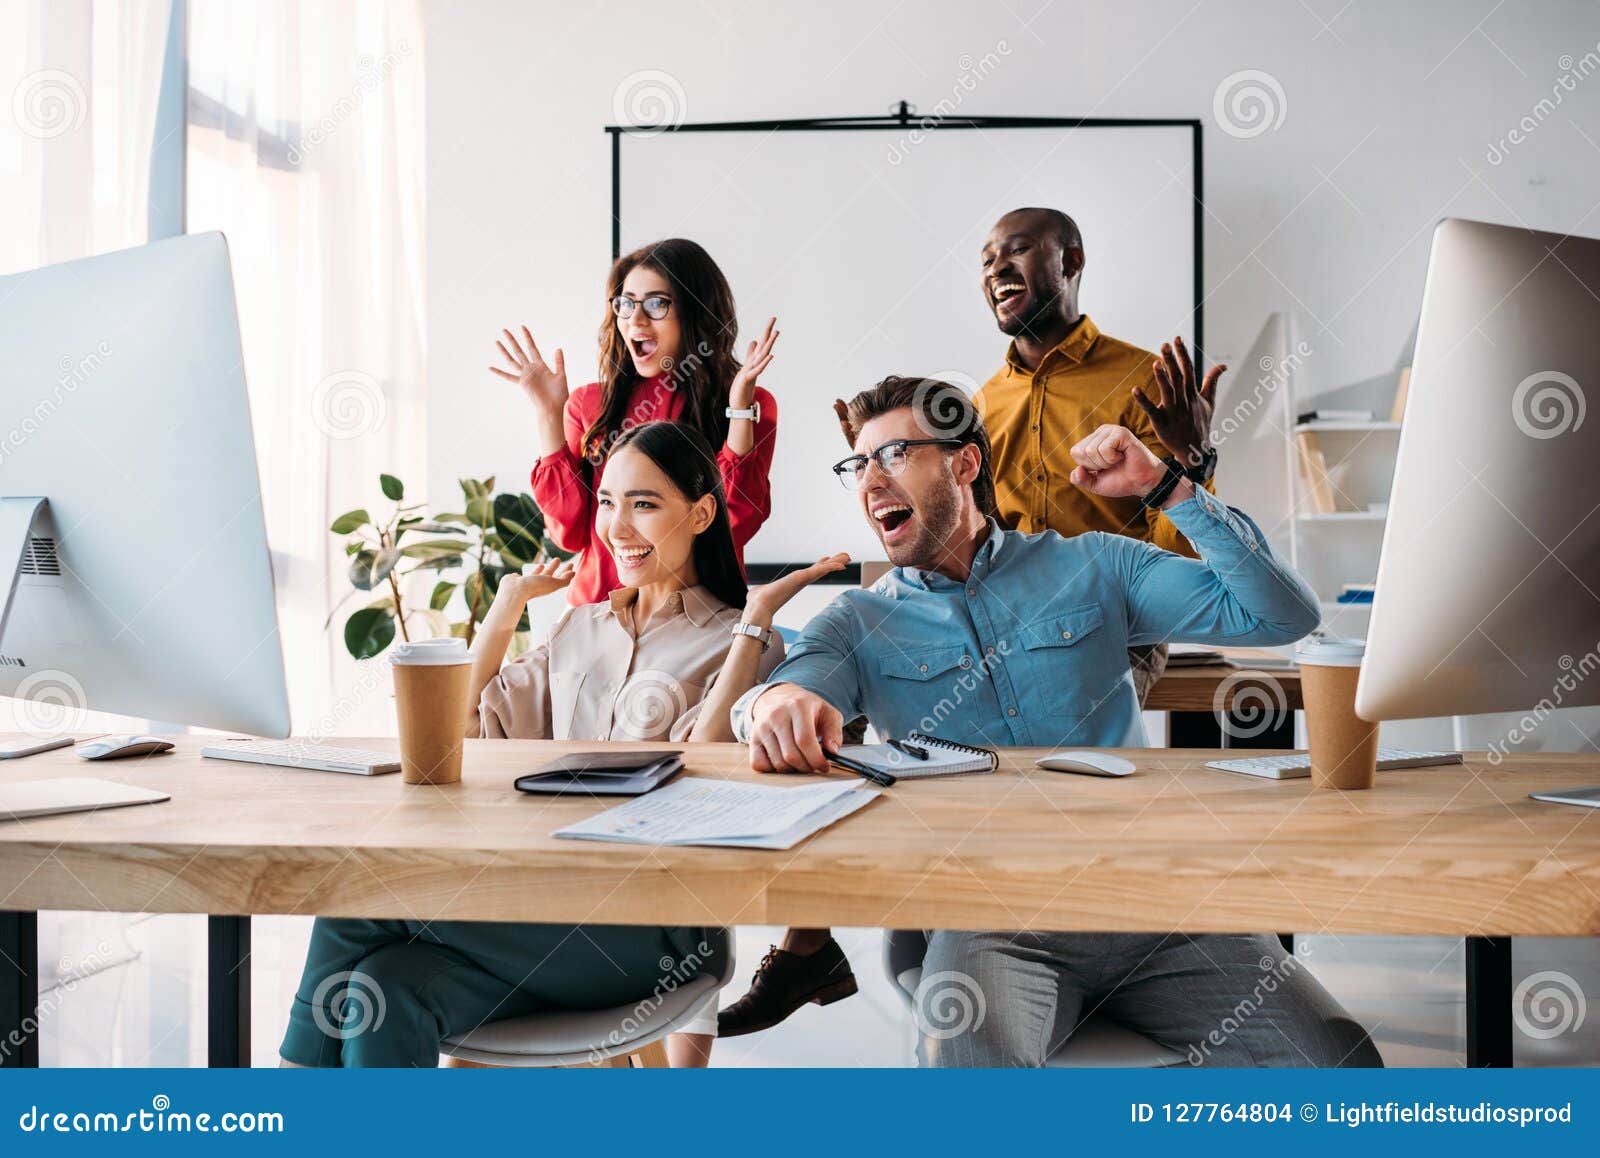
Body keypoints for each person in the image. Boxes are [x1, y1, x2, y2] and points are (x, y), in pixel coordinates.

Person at [732, 377, 1381, 1068]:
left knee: (1336, 1061)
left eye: (891, 454)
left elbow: (1284, 615)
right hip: (991, 926)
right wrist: (773, 705)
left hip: (1159, 907)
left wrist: (1167, 488)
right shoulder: (858, 620)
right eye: (857, 465)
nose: (870, 481)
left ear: (965, 463)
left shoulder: (1097, 564)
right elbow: (783, 691)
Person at [279, 422, 846, 1069]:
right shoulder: (581, 626)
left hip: (656, 931)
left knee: (357, 907)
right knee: (382, 988)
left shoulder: (745, 642)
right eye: (607, 502)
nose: (618, 525)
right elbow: (469, 733)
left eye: (644, 503)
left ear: (702, 512)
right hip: (540, 905)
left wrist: (754, 621)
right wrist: (508, 605)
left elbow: (708, 759)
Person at [495, 237, 779, 607]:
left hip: (700, 620)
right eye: (626, 304)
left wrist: (738, 410)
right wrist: (549, 413)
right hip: (599, 616)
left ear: (696, 311)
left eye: (657, 303)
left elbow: (734, 524)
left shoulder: (750, 403)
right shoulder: (588, 403)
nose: (635, 319)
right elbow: (571, 532)